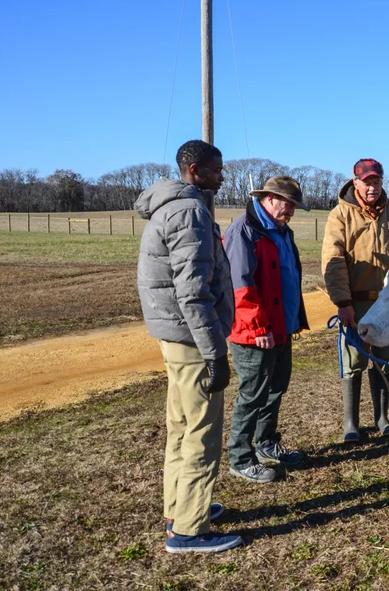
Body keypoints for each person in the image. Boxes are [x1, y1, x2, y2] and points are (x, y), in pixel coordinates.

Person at [135, 139, 242, 554]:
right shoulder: (189, 212)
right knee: (202, 432)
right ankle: (190, 530)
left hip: (175, 337)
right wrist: (215, 352)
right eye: (216, 169)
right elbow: (193, 293)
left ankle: (180, 508)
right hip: (193, 339)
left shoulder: (171, 207)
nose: (222, 176)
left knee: (180, 426)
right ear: (194, 170)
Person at [223, 176, 311, 482]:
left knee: (275, 389)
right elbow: (240, 285)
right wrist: (258, 326)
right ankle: (240, 458)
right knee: (252, 395)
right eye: (288, 204)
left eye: (295, 206)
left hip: (281, 328)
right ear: (269, 198)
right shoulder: (244, 231)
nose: (291, 211)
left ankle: (266, 443)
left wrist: (292, 320)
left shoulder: (282, 231)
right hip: (255, 333)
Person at [322, 158, 389, 443]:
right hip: (356, 302)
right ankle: (351, 424)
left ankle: (382, 418)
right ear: (355, 182)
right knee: (354, 360)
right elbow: (333, 260)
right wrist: (342, 302)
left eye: (377, 182)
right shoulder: (340, 214)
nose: (372, 187)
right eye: (367, 182)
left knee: (386, 359)